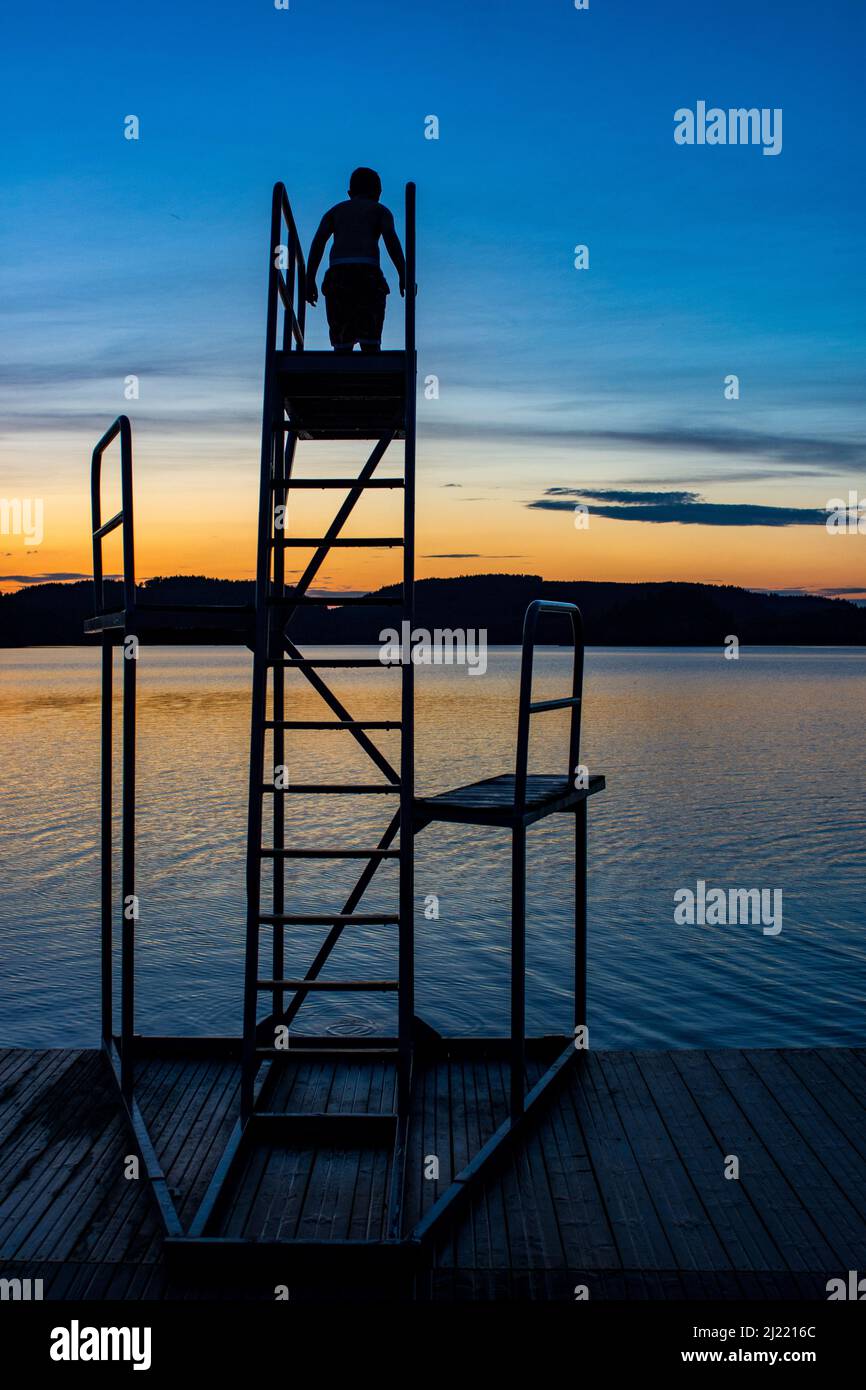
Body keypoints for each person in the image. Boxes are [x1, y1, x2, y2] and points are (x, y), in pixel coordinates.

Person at [305, 167, 405, 353]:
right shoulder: (380, 211)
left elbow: (318, 243)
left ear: (350, 193)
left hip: (338, 275)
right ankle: (371, 361)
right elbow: (392, 242)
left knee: (342, 338)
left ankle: (342, 365)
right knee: (370, 339)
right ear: (378, 192)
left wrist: (309, 279)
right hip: (367, 275)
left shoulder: (335, 212)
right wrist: (403, 273)